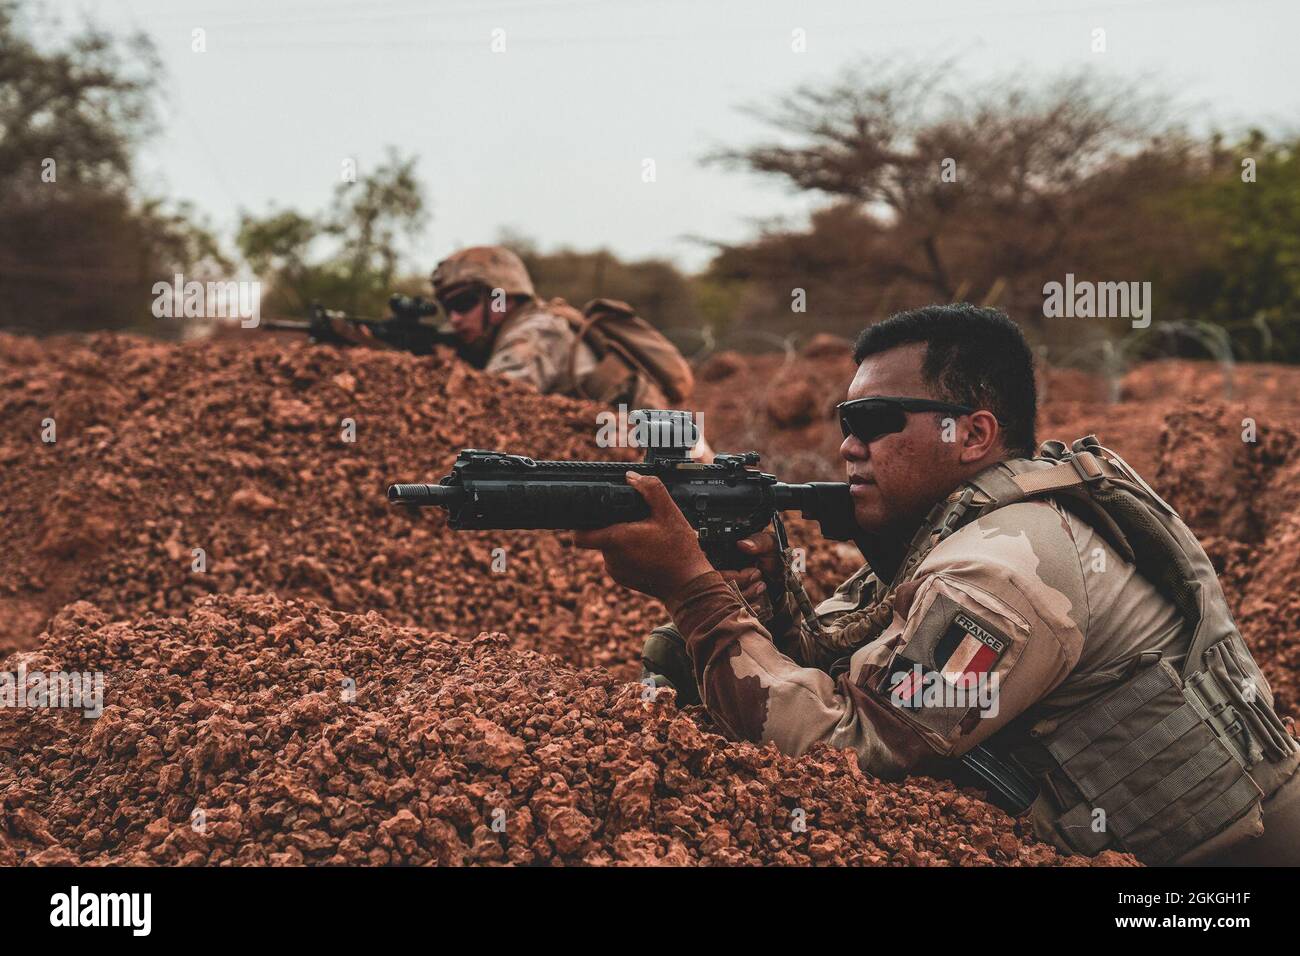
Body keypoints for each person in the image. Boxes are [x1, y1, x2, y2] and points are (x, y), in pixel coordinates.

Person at [574, 303, 1300, 865]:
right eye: (845, 419)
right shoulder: (960, 533)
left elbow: (853, 752)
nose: (848, 443)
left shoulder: (1005, 571)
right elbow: (856, 666)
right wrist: (766, 601)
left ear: (974, 435)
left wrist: (692, 589)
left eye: (875, 419)